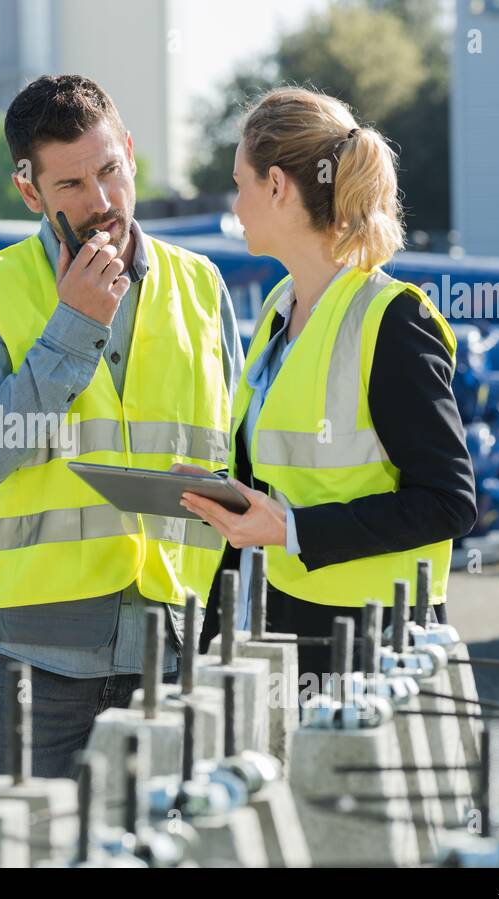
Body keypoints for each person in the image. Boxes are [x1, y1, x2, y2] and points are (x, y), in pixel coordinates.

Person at [0, 74, 242, 778]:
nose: (102, 202)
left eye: (110, 170)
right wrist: (71, 330)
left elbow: (235, 453)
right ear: (29, 191)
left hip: (174, 651)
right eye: (72, 185)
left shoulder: (202, 287)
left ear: (131, 152)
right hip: (34, 663)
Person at [180, 87, 478, 684]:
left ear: (276, 186)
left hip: (374, 642)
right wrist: (228, 495)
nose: (235, 204)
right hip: (281, 623)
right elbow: (278, 478)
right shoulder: (277, 309)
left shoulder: (392, 320)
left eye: (240, 183)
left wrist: (290, 529)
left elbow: (448, 501)